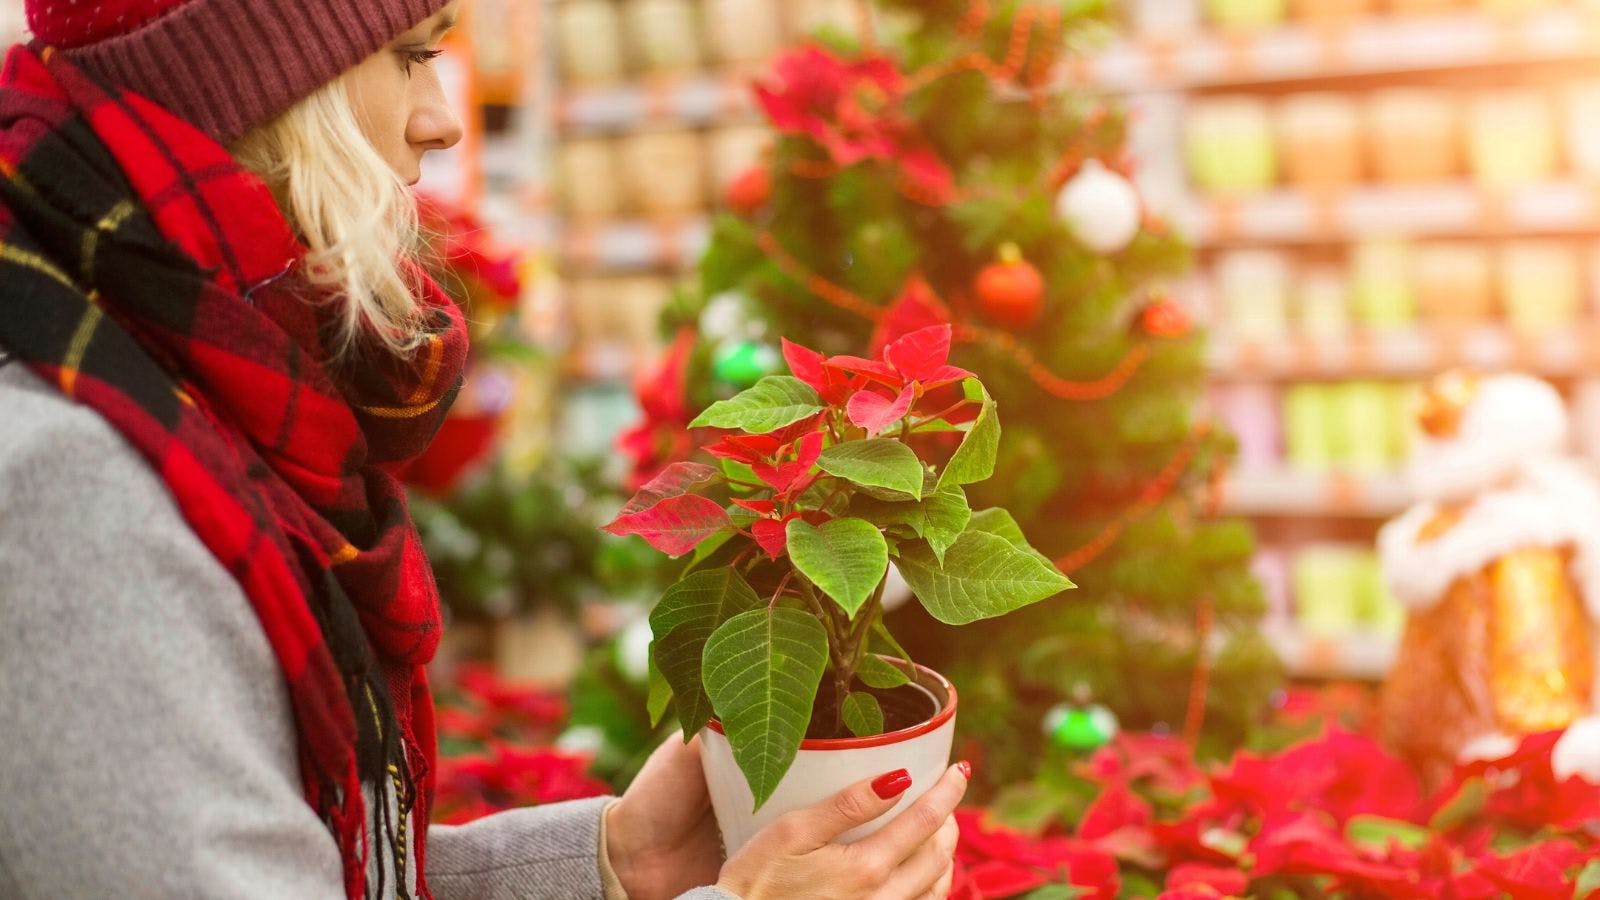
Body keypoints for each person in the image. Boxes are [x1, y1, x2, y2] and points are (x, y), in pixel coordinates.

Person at [0, 0, 967, 897]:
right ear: (262, 79)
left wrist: (612, 862)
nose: (442, 120)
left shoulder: (171, 382)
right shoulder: (72, 495)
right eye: (410, 57)